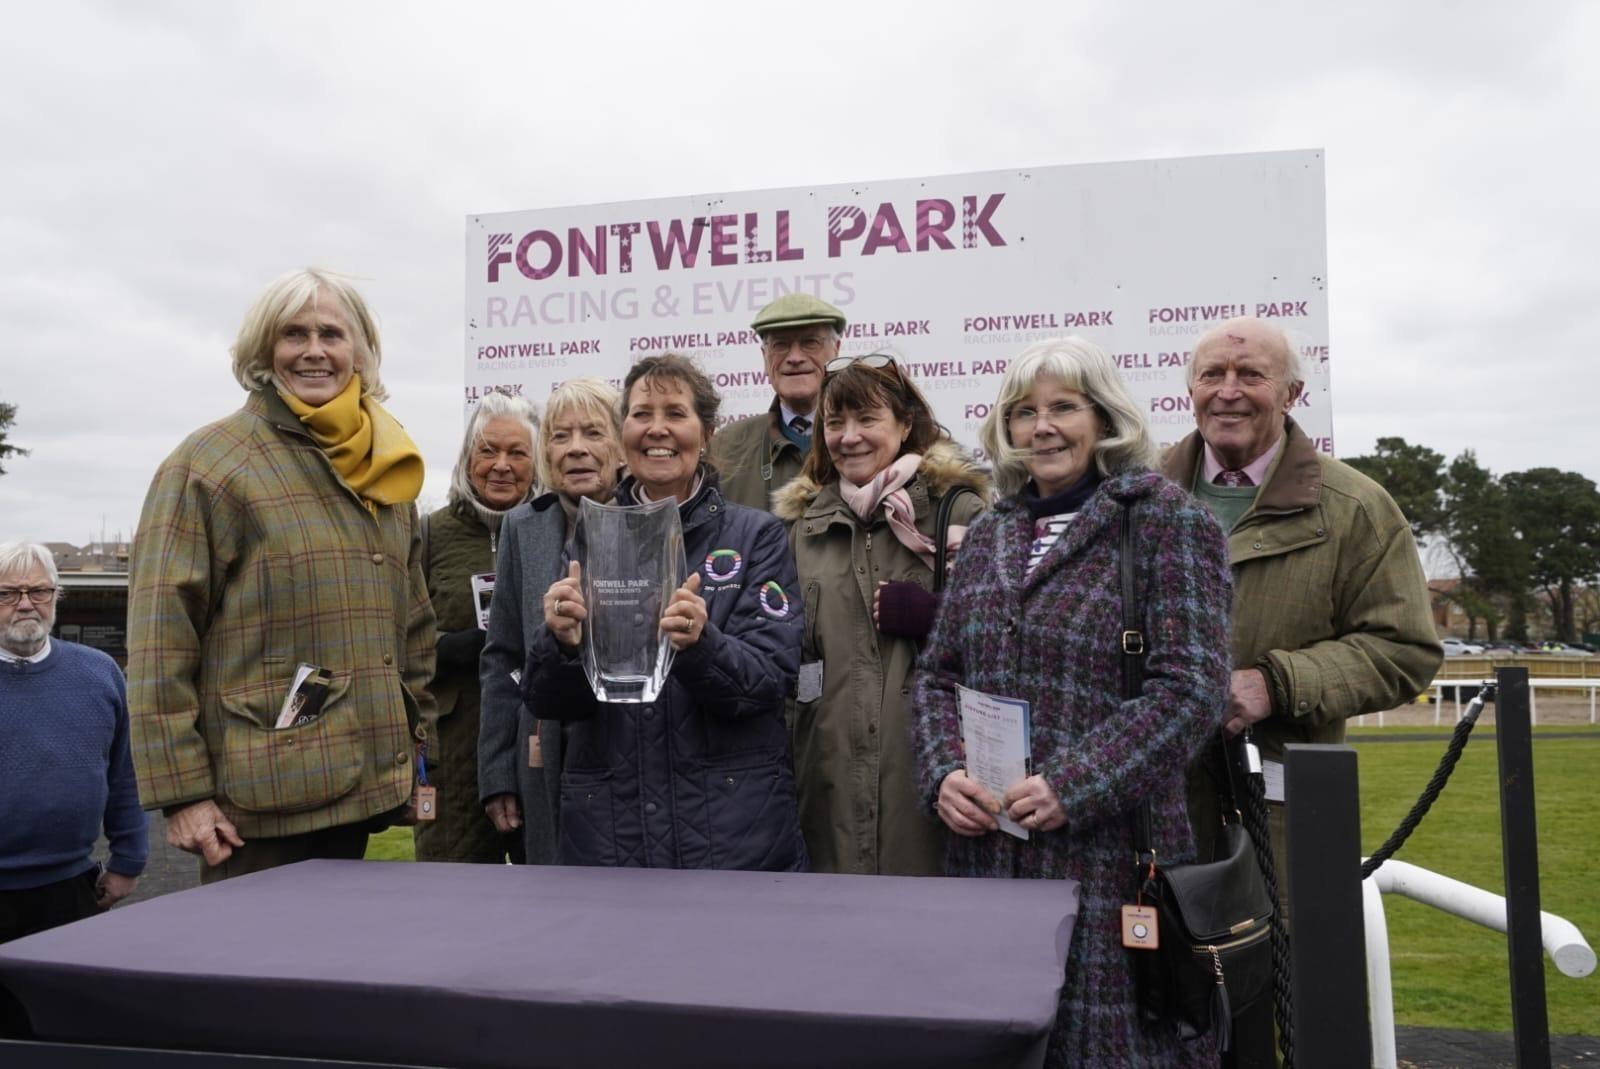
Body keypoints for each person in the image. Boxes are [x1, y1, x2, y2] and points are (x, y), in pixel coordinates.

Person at [913, 337, 1232, 1067]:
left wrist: (1073, 784)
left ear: (1105, 417)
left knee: (1105, 1051)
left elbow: (1191, 689)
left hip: (1110, 860)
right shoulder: (993, 530)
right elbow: (938, 675)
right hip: (988, 855)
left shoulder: (1166, 522)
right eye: (1025, 412)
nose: (1043, 427)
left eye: (1063, 407)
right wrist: (941, 776)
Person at [128, 268, 437, 883]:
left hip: (363, 784)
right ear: (265, 352)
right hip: (261, 801)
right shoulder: (209, 465)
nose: (315, 350)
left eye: (332, 333)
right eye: (294, 334)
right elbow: (160, 639)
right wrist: (183, 793)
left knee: (339, 971)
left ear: (361, 351)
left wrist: (417, 752)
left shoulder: (386, 465)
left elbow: (416, 625)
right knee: (248, 974)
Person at [1161, 316, 1442, 901]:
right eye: (1212, 374)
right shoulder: (1134, 493)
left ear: (1292, 394)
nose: (1228, 390)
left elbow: (1404, 649)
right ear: (1190, 390)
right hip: (1147, 817)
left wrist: (1276, 683)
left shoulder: (1356, 508)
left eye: (1252, 375)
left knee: (1282, 985)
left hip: (1282, 825)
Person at [527, 354, 807, 870]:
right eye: (641, 414)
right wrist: (561, 643)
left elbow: (771, 680)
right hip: (612, 833)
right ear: (623, 433)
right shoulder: (590, 537)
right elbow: (550, 701)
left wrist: (704, 644)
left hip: (732, 832)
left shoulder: (757, 536)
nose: (657, 429)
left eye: (675, 413)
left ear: (706, 432)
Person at [773, 354, 989, 875]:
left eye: (867, 419)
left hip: (933, 781)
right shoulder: (801, 529)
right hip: (826, 786)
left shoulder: (958, 512)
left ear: (905, 424)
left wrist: (938, 617)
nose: (849, 437)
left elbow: (1014, 639)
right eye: (834, 422)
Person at [478, 378, 624, 864]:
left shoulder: (649, 520)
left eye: (593, 433)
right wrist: (498, 772)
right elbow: (502, 658)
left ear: (621, 445)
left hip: (625, 749)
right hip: (543, 754)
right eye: (561, 436)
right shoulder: (524, 526)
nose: (576, 449)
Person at [413, 391, 540, 864]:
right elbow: (393, 638)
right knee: (454, 899)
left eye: (517, 452)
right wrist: (448, 647)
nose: (501, 465)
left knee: (549, 890)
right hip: (454, 750)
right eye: (488, 451)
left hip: (534, 742)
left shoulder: (554, 528)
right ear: (467, 460)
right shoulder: (428, 535)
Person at [1, 542, 147, 942]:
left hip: (70, 890)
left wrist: (129, 860)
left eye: (39, 591)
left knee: (62, 1005)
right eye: (8, 593)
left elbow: (124, 776)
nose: (26, 604)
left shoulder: (100, 673)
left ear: (55, 595)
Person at [713, 294, 847, 511]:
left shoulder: (869, 442)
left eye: (810, 343)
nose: (794, 357)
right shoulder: (726, 450)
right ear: (764, 356)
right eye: (780, 345)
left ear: (836, 350)